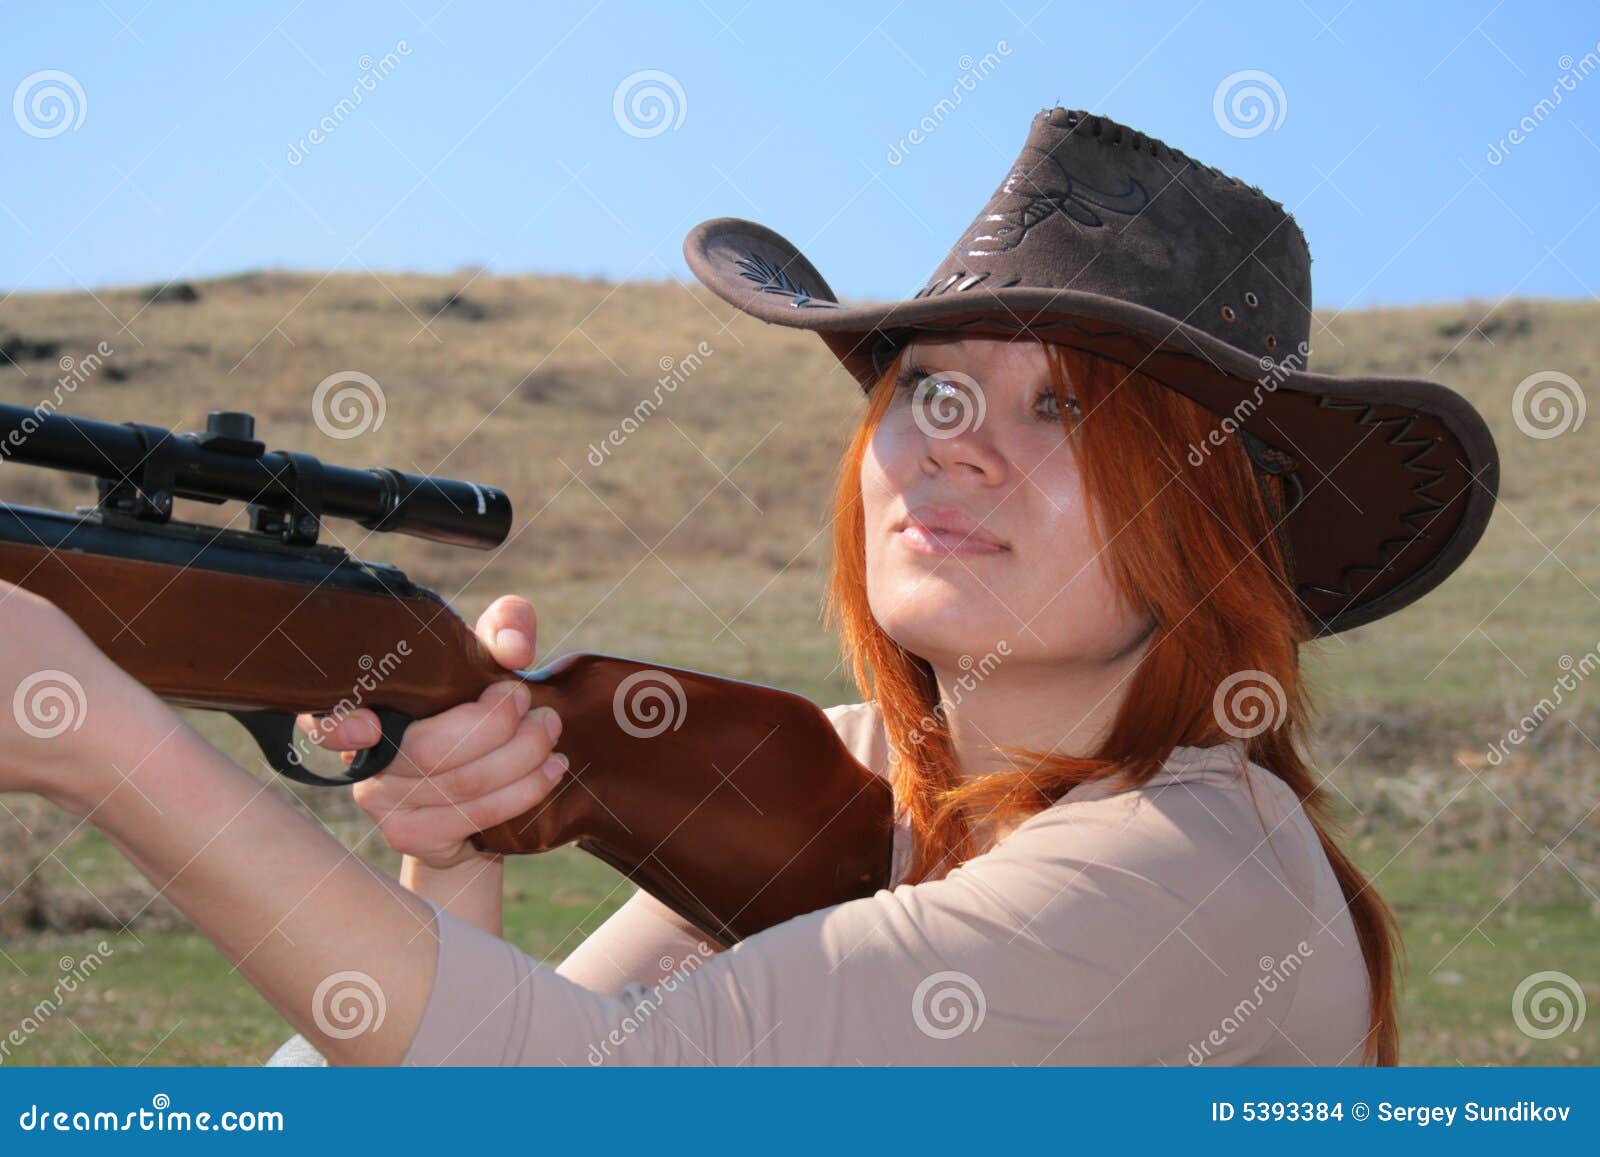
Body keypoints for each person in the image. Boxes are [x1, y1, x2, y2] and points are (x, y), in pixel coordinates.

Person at [0, 105, 1498, 1066]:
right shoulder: (867, 791)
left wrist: (112, 751)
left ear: (1217, 533)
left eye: (1073, 412)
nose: (962, 447)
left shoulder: (1200, 873)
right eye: (930, 387)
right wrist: (453, 856)